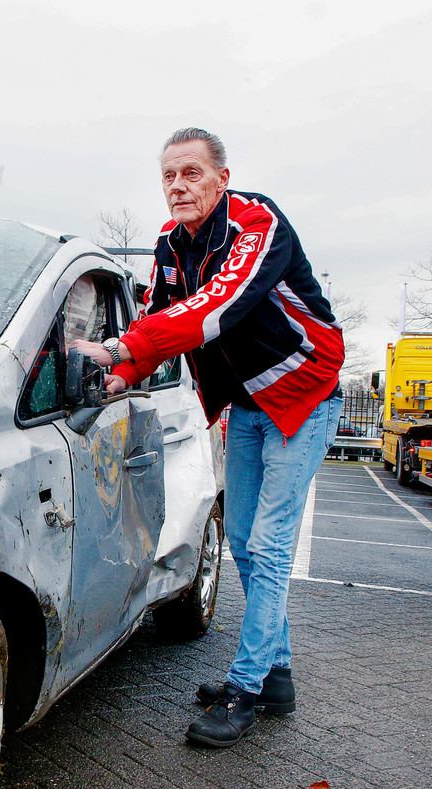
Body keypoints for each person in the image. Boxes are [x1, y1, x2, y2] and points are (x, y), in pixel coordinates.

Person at [73, 127, 344, 748]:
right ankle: (277, 676)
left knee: (270, 546)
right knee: (244, 543)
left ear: (221, 178)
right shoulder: (170, 244)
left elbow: (211, 312)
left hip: (304, 397)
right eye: (168, 175)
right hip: (248, 404)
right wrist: (116, 375)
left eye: (191, 173)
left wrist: (119, 348)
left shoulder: (258, 223)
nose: (178, 186)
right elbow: (155, 320)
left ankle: (246, 691)